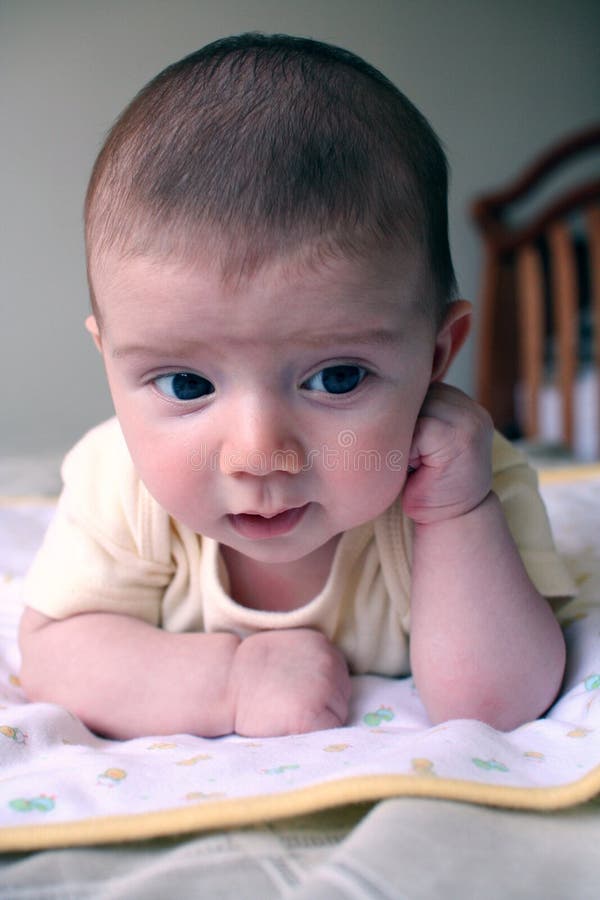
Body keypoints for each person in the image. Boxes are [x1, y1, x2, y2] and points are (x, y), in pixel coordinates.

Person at [19, 33, 574, 740]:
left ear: (437, 357)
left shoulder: (467, 479)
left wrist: (458, 517)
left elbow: (498, 706)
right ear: (110, 361)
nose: (257, 455)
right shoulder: (117, 482)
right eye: (187, 384)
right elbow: (53, 654)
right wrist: (232, 683)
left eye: (336, 378)